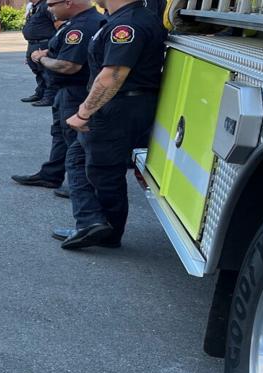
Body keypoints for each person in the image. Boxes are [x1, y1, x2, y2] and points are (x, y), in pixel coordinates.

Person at [59, 0, 165, 250]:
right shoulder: (126, 17)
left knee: (104, 172)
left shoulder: (128, 24)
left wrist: (84, 112)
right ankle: (89, 221)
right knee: (76, 157)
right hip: (123, 104)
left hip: (118, 107)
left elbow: (114, 73)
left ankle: (107, 233)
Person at [13, 0, 101, 191]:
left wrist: (42, 58)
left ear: (68, 3)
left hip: (75, 90)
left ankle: (82, 187)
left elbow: (69, 65)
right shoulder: (74, 22)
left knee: (75, 142)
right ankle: (51, 174)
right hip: (65, 90)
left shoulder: (82, 26)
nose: (49, 8)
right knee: (60, 134)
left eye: (52, 4)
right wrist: (50, 51)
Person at [21, 0, 57, 103]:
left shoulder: (46, 5)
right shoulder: (34, 6)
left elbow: (58, 23)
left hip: (44, 42)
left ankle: (49, 96)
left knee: (47, 72)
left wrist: (52, 45)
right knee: (38, 71)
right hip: (33, 43)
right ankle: (40, 92)